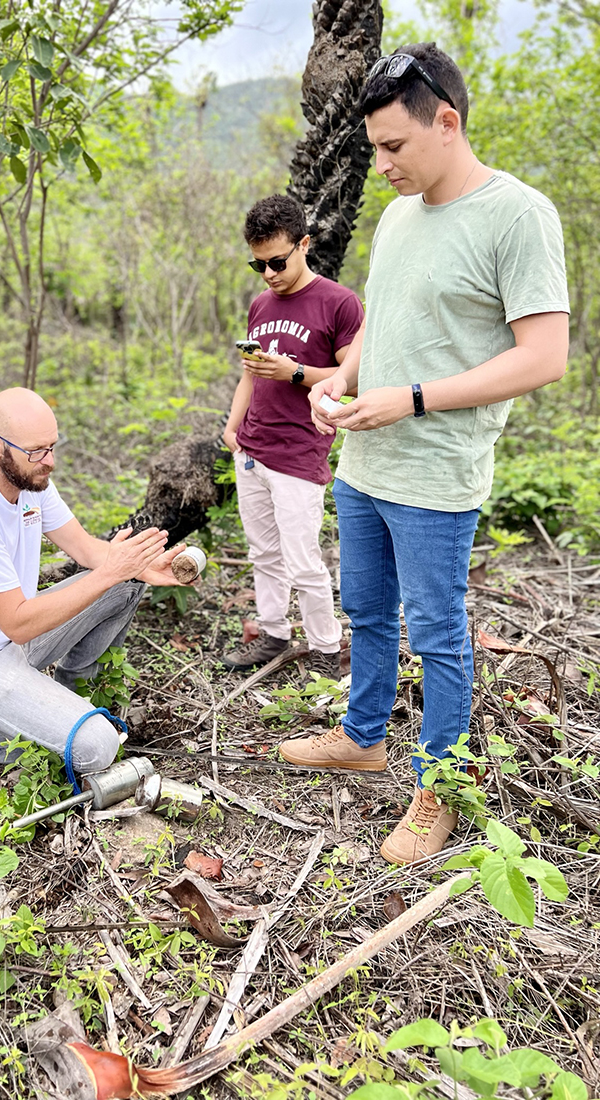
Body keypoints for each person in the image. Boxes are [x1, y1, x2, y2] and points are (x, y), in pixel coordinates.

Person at [279, 44, 570, 864]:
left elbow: (543, 356)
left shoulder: (518, 216)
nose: (380, 166)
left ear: (447, 122)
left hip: (435, 471)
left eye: (393, 147)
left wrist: (407, 400)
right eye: (372, 148)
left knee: (437, 633)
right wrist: (336, 378)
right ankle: (362, 735)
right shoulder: (398, 215)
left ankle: (439, 786)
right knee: (367, 611)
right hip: (365, 463)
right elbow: (383, 320)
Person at [0, 387, 188, 773]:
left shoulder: (31, 482)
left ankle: (75, 697)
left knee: (126, 580)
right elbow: (19, 624)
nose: (50, 461)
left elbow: (87, 550)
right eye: (37, 451)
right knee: (98, 747)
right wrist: (109, 572)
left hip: (11, 639)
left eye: (53, 446)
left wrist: (142, 565)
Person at [221, 194, 365, 678]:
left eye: (278, 261)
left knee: (302, 558)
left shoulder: (339, 303)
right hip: (253, 448)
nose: (268, 274)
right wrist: (233, 424)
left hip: (301, 451)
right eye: (258, 264)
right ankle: (274, 633)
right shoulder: (260, 304)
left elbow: (355, 376)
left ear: (304, 245)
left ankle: (327, 649)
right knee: (263, 552)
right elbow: (250, 373)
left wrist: (296, 373)